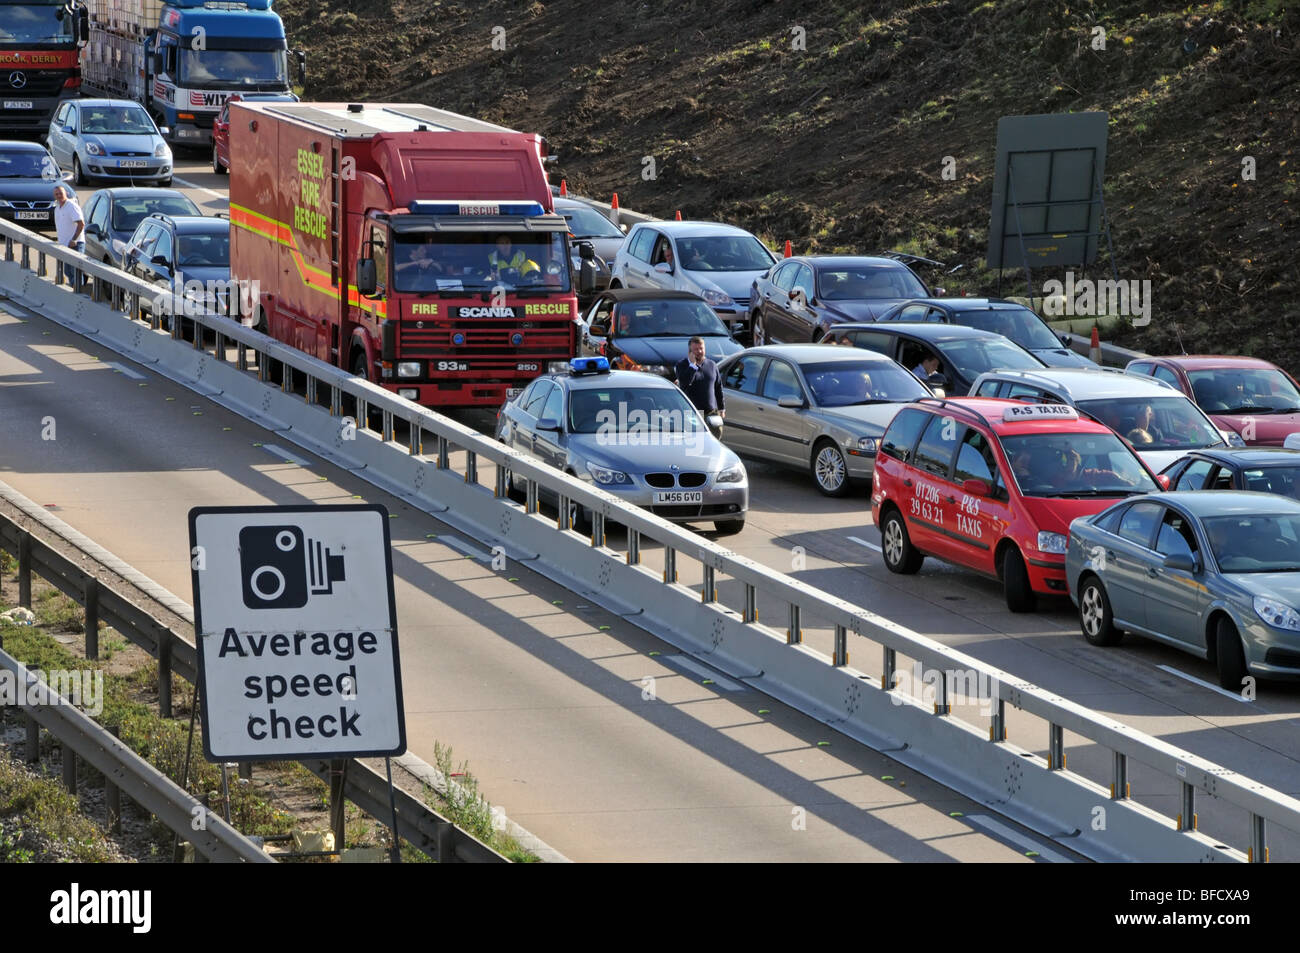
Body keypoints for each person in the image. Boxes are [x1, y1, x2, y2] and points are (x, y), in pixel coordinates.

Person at [675, 335, 724, 436]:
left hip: (711, 413)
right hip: (692, 414)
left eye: (701, 348)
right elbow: (684, 383)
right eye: (696, 349)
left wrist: (721, 408)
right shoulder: (682, 365)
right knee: (695, 443)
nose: (700, 351)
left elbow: (718, 387)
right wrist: (692, 365)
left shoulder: (712, 365)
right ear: (690, 352)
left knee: (715, 440)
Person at [52, 184, 84, 287]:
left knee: (76, 272)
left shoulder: (71, 206)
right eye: (56, 194)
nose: (59, 196)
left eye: (61, 193)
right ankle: (73, 290)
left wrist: (74, 239)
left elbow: (81, 224)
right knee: (68, 271)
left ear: (66, 193)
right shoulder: (57, 208)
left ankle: (79, 294)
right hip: (64, 245)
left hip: (75, 244)